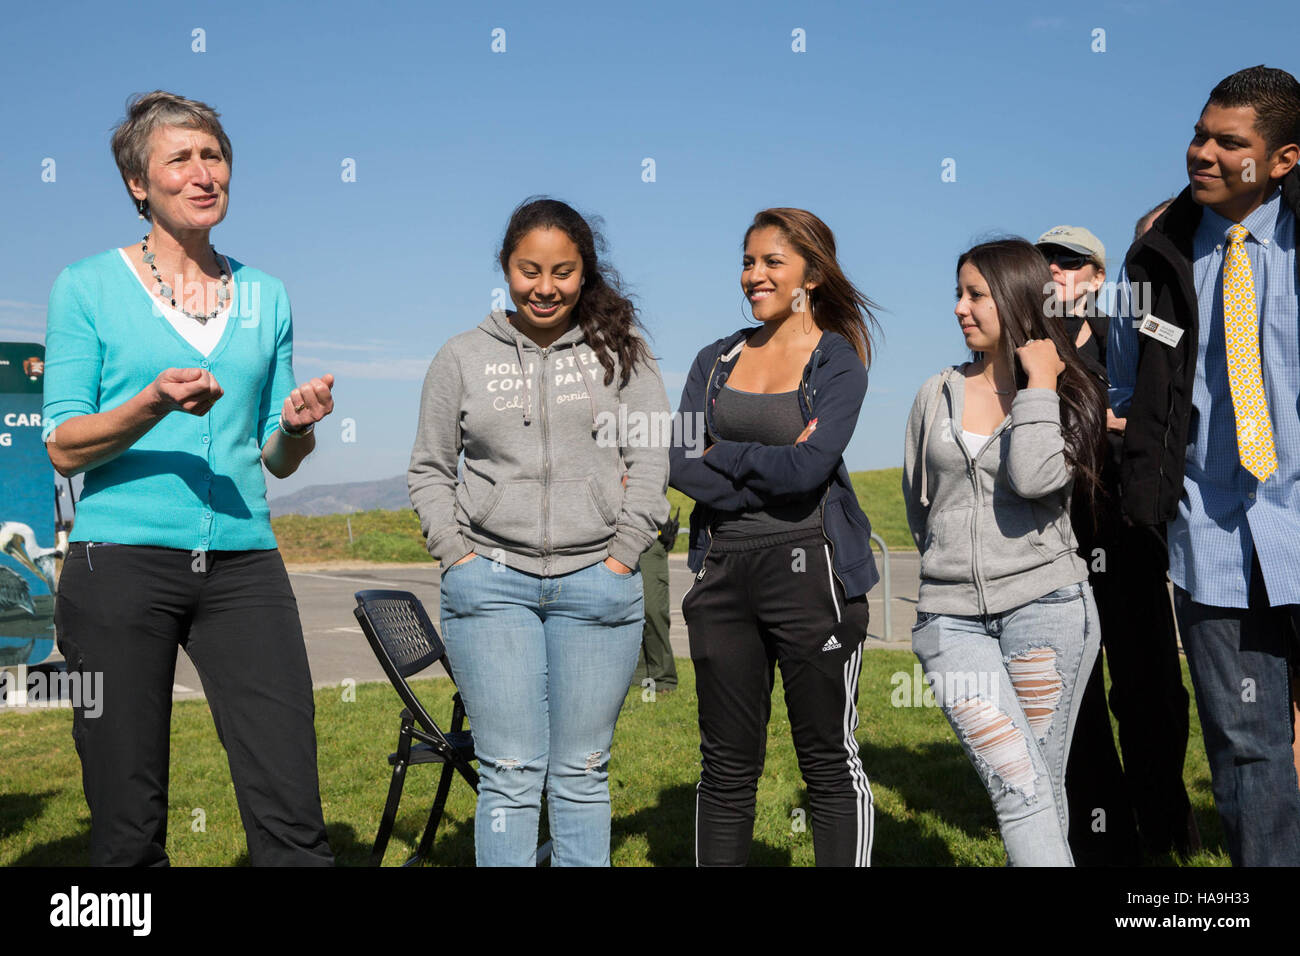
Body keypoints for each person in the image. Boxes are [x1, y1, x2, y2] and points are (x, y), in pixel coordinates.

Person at [43, 91, 335, 866]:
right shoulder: (86, 286)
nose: (204, 173)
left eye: (214, 156)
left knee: (293, 814)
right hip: (118, 568)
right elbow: (64, 446)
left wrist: (297, 430)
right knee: (126, 827)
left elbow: (273, 456)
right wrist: (149, 404)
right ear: (140, 183)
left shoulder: (268, 295)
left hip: (245, 564)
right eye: (180, 159)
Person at [408, 197, 669, 867]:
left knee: (581, 772)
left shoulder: (626, 356)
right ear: (505, 268)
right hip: (489, 587)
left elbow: (649, 465)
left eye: (562, 271)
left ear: (584, 273)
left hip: (598, 586)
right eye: (530, 271)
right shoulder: (461, 357)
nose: (545, 287)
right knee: (512, 772)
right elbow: (430, 469)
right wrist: (457, 555)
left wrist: (620, 557)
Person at [1109, 65, 1300, 866]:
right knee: (1248, 752)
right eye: (1198, 134)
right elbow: (1126, 382)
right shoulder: (1154, 258)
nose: (1203, 153)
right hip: (1214, 534)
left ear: (1283, 160)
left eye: (1230, 142)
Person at [670, 208, 879, 867]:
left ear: (811, 276)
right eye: (747, 261)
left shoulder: (838, 362)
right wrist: (767, 459)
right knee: (726, 764)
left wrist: (723, 452)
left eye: (771, 262)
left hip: (811, 574)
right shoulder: (715, 360)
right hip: (723, 573)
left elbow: (811, 469)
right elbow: (677, 462)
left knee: (826, 758)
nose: (753, 275)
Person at [903, 238, 1106, 866]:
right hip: (951, 619)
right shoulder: (936, 393)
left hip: (1048, 608)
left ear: (1015, 296)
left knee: (1035, 787)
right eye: (958, 295)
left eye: (976, 295)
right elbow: (921, 507)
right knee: (1020, 785)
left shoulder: (1068, 390)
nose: (961, 308)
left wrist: (1041, 382)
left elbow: (1035, 476)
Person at [1037, 227, 1197, 863]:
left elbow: (1163, 410)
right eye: (1045, 261)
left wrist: (1115, 418)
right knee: (1073, 696)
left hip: (1126, 532)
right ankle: (1103, 835)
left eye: (1071, 263)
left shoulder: (1124, 334)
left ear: (1098, 278)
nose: (1055, 272)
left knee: (1151, 686)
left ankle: (1165, 820)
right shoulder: (1026, 345)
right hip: (1055, 539)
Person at [631, 512, 679, 695]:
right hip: (616, 536)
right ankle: (640, 676)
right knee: (628, 611)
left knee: (653, 610)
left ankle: (662, 678)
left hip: (650, 539)